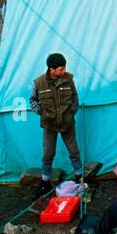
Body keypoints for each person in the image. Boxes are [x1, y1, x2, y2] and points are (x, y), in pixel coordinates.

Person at [30, 53, 83, 188]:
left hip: (67, 123)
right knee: (48, 153)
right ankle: (45, 182)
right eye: (61, 69)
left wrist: (72, 111)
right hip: (49, 124)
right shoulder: (39, 83)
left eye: (64, 68)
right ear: (51, 69)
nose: (64, 71)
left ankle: (80, 176)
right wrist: (41, 113)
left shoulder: (69, 79)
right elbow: (33, 100)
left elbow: (75, 96)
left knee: (74, 150)